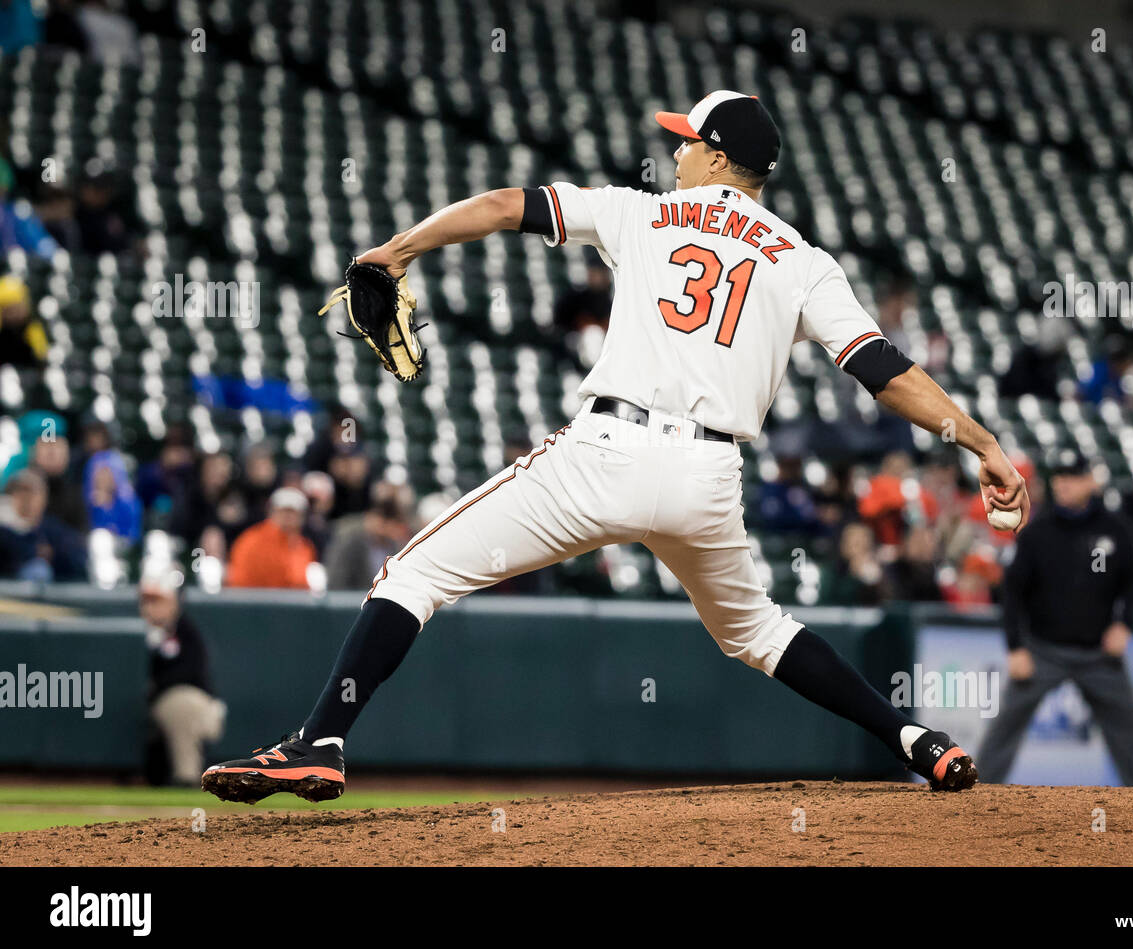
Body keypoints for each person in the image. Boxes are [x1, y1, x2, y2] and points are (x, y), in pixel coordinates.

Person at [202, 90, 1029, 804]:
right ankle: (915, 739)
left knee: (415, 573)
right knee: (758, 633)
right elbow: (882, 370)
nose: (672, 152)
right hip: (709, 478)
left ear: (714, 155)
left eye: (684, 141)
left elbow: (499, 206)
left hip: (608, 450)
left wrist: (397, 251)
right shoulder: (804, 262)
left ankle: (319, 741)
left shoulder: (642, 211)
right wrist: (982, 444)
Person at [978, 448, 1133, 787]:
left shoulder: (1115, 529)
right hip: (1043, 650)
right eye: (1059, 477)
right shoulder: (1037, 532)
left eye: (1072, 477)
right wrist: (1015, 647)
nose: (1063, 484)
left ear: (1091, 481)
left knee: (1131, 733)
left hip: (1098, 654)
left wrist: (1124, 624)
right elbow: (1012, 592)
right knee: (1004, 728)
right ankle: (976, 794)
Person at [139, 566, 225, 786]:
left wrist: (155, 686)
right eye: (146, 601)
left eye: (157, 601)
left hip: (191, 704)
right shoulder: (136, 633)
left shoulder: (186, 631)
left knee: (182, 704)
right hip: (146, 706)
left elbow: (193, 671)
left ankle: (186, 779)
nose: (150, 607)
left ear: (174, 602)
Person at [0, 469, 86, 581]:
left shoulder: (54, 530)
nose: (27, 498)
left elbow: (77, 559)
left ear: (44, 498)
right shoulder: (3, 529)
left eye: (33, 492)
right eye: (21, 491)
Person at [224, 487, 317, 589]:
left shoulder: (305, 547)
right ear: (272, 512)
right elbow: (240, 580)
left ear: (302, 517)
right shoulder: (251, 541)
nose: (288, 517)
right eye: (283, 511)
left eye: (293, 512)